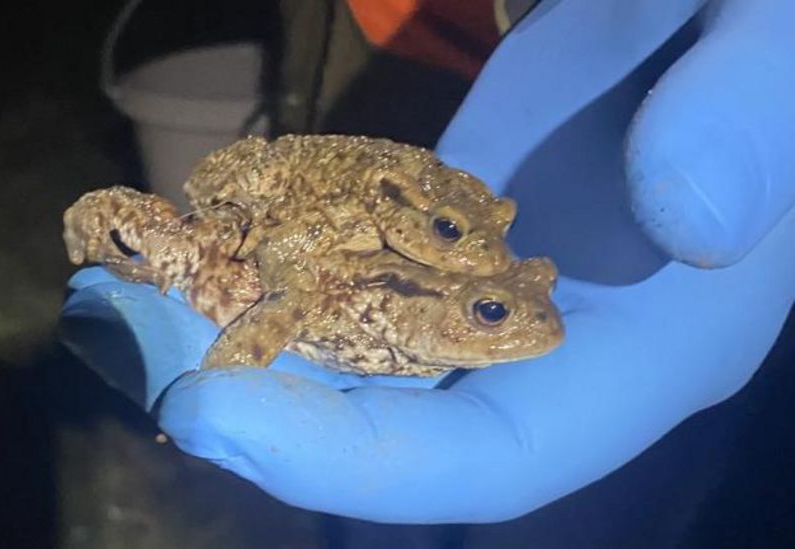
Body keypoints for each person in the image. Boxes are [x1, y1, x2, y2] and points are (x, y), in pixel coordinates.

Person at [59, 0, 795, 537]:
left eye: (517, 291)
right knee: (362, 488)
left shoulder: (435, 265)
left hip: (503, 87)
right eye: (494, 310)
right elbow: (291, 285)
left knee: (577, 498)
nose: (532, 309)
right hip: (372, 64)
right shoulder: (361, 254)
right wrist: (234, 355)